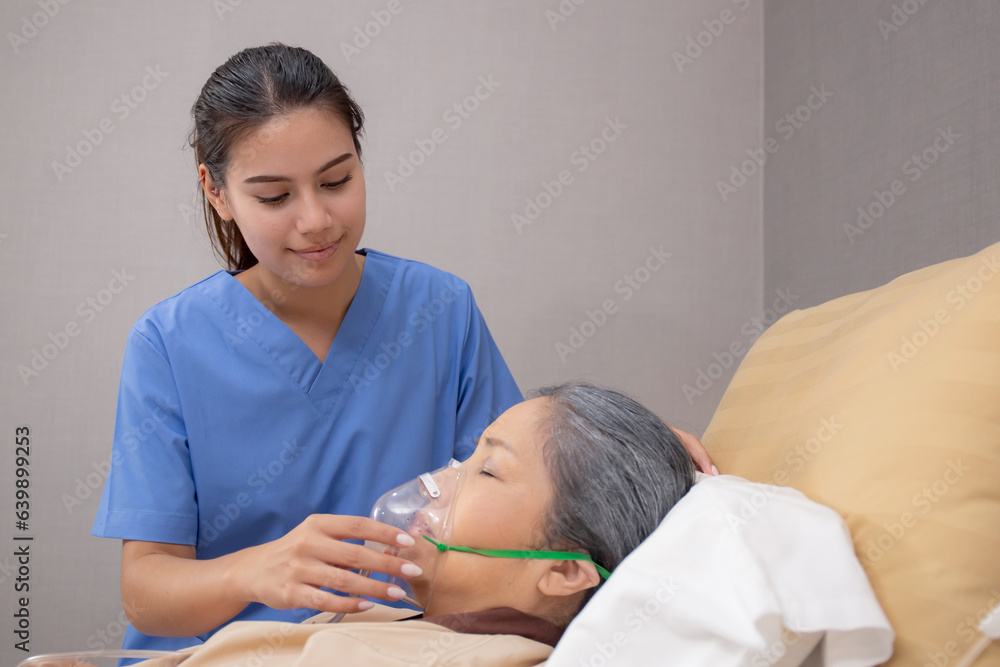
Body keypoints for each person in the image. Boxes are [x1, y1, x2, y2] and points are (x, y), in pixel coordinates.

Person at [90, 42, 715, 659]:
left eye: (336, 180)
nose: (316, 219)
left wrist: (629, 456)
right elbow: (146, 594)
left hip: (393, 647)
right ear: (217, 192)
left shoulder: (439, 309)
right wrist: (258, 571)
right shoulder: (169, 344)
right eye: (275, 197)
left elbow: (517, 483)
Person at [129, 382, 697, 667]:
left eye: (488, 470)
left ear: (565, 569)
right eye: (467, 455)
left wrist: (629, 461)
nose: (439, 479)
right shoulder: (399, 623)